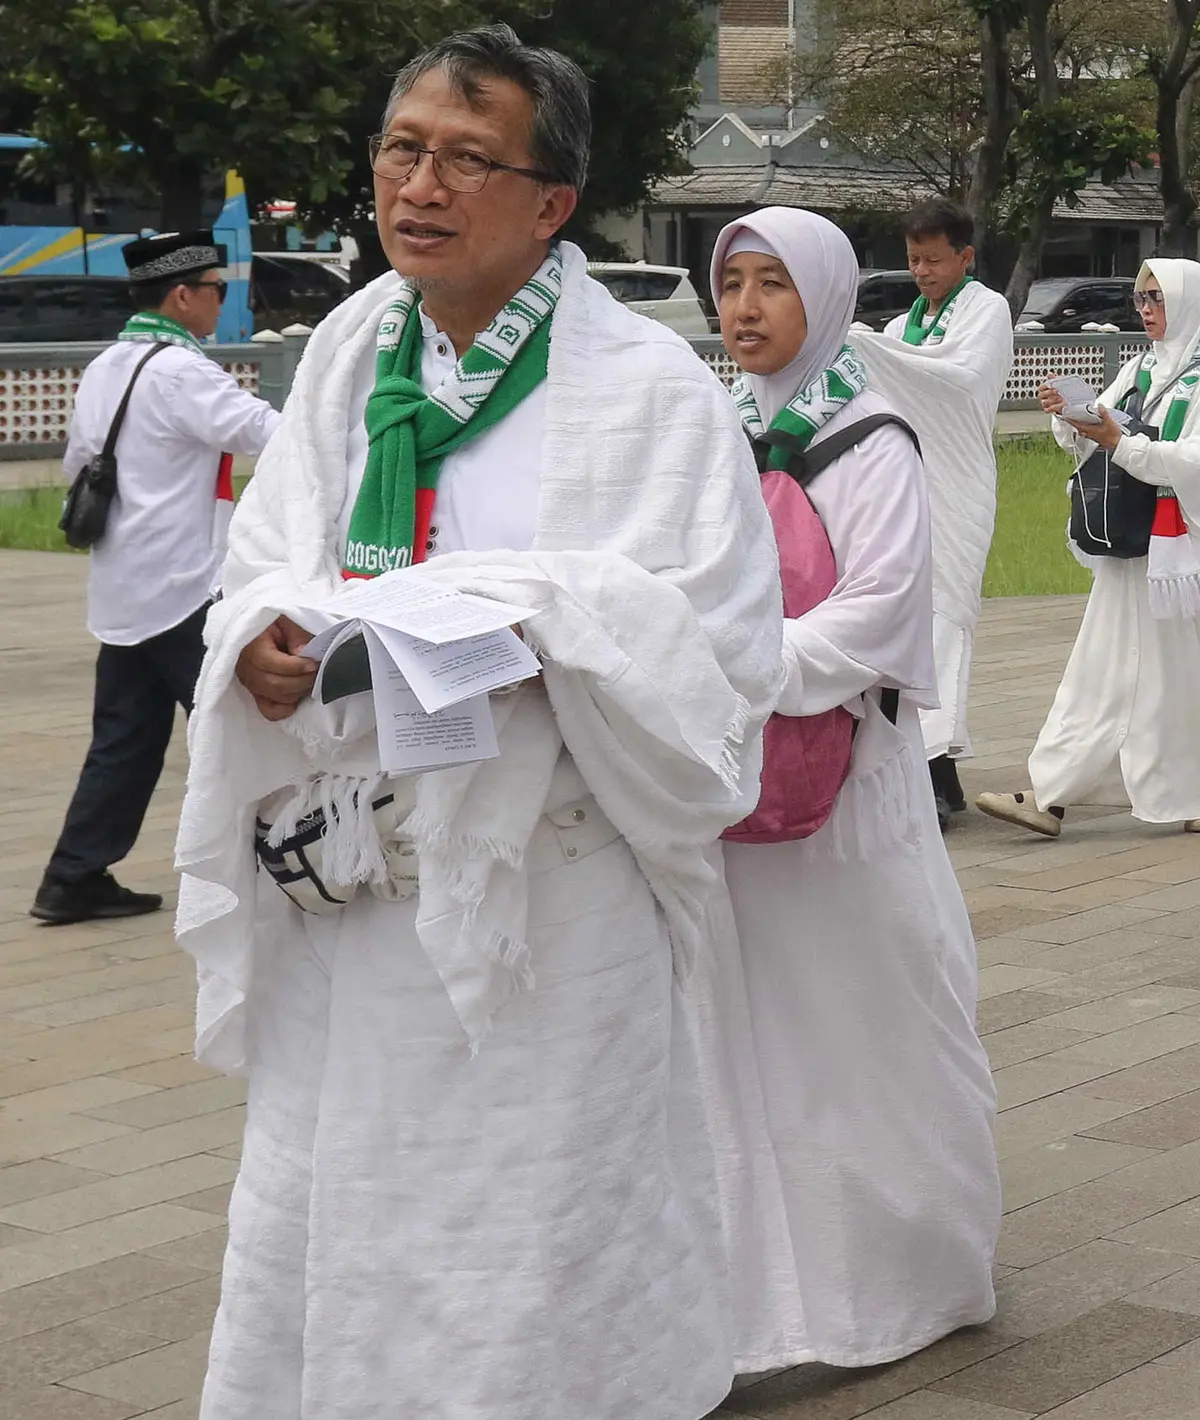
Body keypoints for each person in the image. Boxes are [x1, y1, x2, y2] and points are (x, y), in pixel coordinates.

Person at [177, 28, 781, 1418]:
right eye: (402, 148)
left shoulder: (646, 390)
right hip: (362, 890)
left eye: (466, 158)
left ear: (551, 202)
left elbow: (720, 651)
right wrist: (264, 641)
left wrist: (541, 623)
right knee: (346, 1216)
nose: (420, 186)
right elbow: (270, 554)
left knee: (537, 1241)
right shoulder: (347, 350)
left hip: (547, 912)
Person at [706, 207, 1000, 1370]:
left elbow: (878, 610)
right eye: (731, 283)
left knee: (863, 1025)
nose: (744, 308)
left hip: (847, 790)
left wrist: (742, 669)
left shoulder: (871, 434)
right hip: (736, 786)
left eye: (773, 283)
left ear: (825, 295)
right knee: (748, 1037)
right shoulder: (710, 425)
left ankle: (898, 1277)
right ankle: (766, 1303)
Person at [30, 231, 278, 925]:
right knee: (249, 726)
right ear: (182, 295)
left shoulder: (108, 364)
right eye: (217, 290)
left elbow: (76, 462)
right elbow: (265, 433)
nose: (221, 303)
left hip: (123, 588)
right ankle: (273, 866)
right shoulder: (181, 371)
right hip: (184, 589)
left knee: (125, 740)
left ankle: (72, 877)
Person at [975, 259, 1200, 838]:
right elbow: (1100, 424)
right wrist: (1071, 416)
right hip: (1132, 546)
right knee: (1099, 670)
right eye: (1140, 299)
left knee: (1193, 679)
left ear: (1185, 301)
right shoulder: (1137, 368)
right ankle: (1050, 791)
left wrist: (1123, 442)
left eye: (1157, 297)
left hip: (1184, 555)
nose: (1147, 309)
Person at [852, 198, 1011, 825]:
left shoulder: (986, 310)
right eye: (913, 259)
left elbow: (962, 380)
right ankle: (924, 768)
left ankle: (936, 771)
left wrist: (874, 350)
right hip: (905, 484)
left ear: (965, 257)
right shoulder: (897, 330)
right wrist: (877, 349)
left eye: (933, 259)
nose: (921, 271)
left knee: (946, 620)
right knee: (907, 619)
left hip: (959, 483)